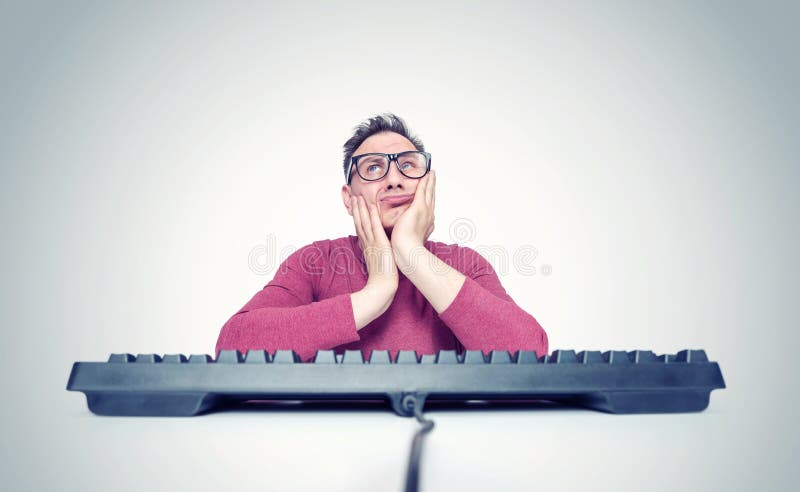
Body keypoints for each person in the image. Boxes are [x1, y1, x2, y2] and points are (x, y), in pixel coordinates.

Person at [214, 113, 548, 362]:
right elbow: (233, 345)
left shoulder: (462, 264)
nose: (394, 180)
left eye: (408, 166)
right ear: (348, 197)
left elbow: (529, 352)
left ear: (427, 184)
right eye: (373, 168)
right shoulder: (315, 262)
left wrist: (410, 253)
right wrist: (378, 291)